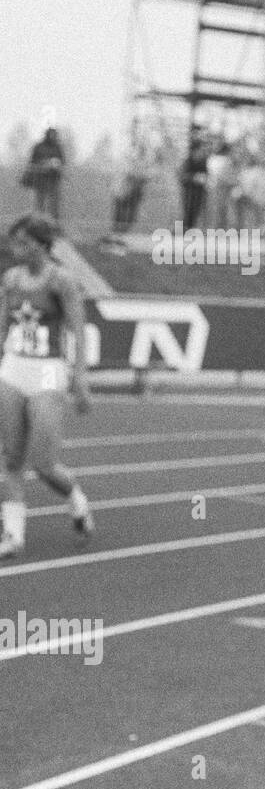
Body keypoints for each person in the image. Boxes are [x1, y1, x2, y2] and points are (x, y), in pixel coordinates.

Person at [0, 215, 95, 558]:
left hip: (47, 372)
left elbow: (78, 330)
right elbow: (3, 326)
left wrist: (80, 379)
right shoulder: (10, 279)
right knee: (10, 459)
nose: (15, 249)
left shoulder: (61, 281)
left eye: (22, 243)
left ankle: (76, 500)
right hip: (13, 367)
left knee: (43, 464)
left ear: (41, 246)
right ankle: (13, 535)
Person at [24, 129, 66, 222]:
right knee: (40, 201)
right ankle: (39, 221)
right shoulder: (39, 147)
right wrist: (44, 164)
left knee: (54, 202)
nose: (53, 137)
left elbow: (62, 161)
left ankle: (54, 222)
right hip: (40, 179)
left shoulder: (57, 147)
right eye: (51, 135)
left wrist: (56, 164)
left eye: (54, 135)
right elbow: (32, 162)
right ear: (47, 135)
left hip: (54, 179)